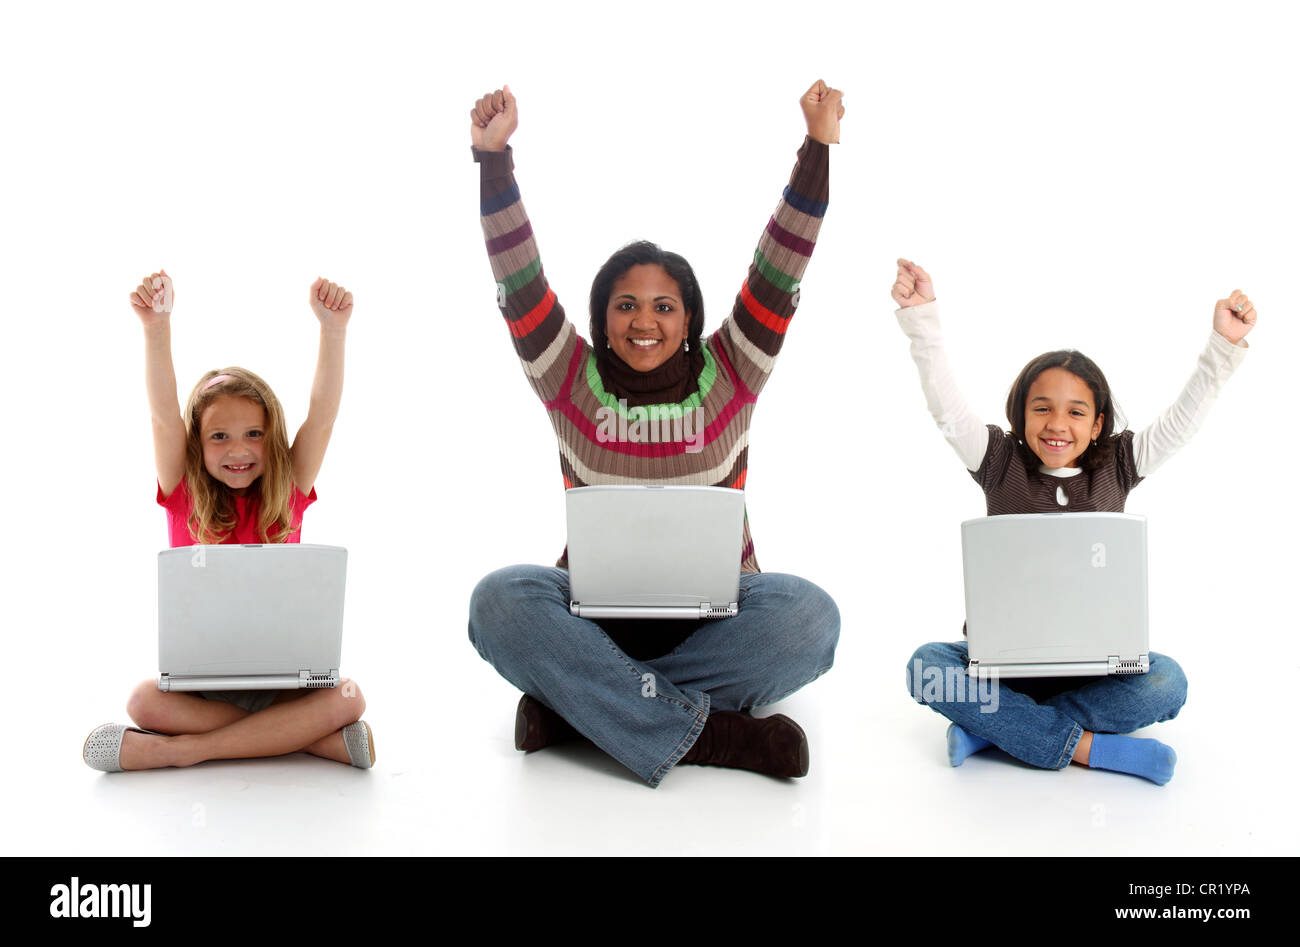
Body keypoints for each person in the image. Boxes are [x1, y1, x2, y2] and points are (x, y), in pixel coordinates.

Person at [466, 82, 844, 787]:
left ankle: (585, 707)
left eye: (665, 305)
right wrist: (494, 160)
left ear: (690, 317)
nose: (646, 320)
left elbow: (781, 263)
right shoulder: (567, 376)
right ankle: (711, 734)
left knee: (811, 618)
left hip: (719, 615)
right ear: (603, 319)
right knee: (497, 601)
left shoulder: (736, 367)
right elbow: (520, 283)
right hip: (595, 615)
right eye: (627, 305)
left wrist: (817, 146)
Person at [892, 258, 1255, 785]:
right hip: (1004, 667)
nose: (1057, 424)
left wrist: (1223, 347)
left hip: (1093, 669)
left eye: (1076, 413)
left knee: (1167, 683)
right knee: (928, 666)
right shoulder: (998, 461)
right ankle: (1095, 751)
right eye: (1041, 409)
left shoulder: (1121, 464)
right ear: (1020, 415)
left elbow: (1181, 423)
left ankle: (994, 731)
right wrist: (921, 318)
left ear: (1098, 424)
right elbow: (944, 404)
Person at [82, 270, 375, 771]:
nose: (238, 450)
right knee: (142, 701)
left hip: (282, 677)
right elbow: (162, 417)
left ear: (272, 436)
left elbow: (321, 417)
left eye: (254, 434)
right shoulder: (183, 492)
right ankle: (306, 741)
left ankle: (176, 751)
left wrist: (334, 330)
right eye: (219, 437)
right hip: (203, 682)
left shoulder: (288, 493)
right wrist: (157, 328)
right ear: (197, 442)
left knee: (349, 698)